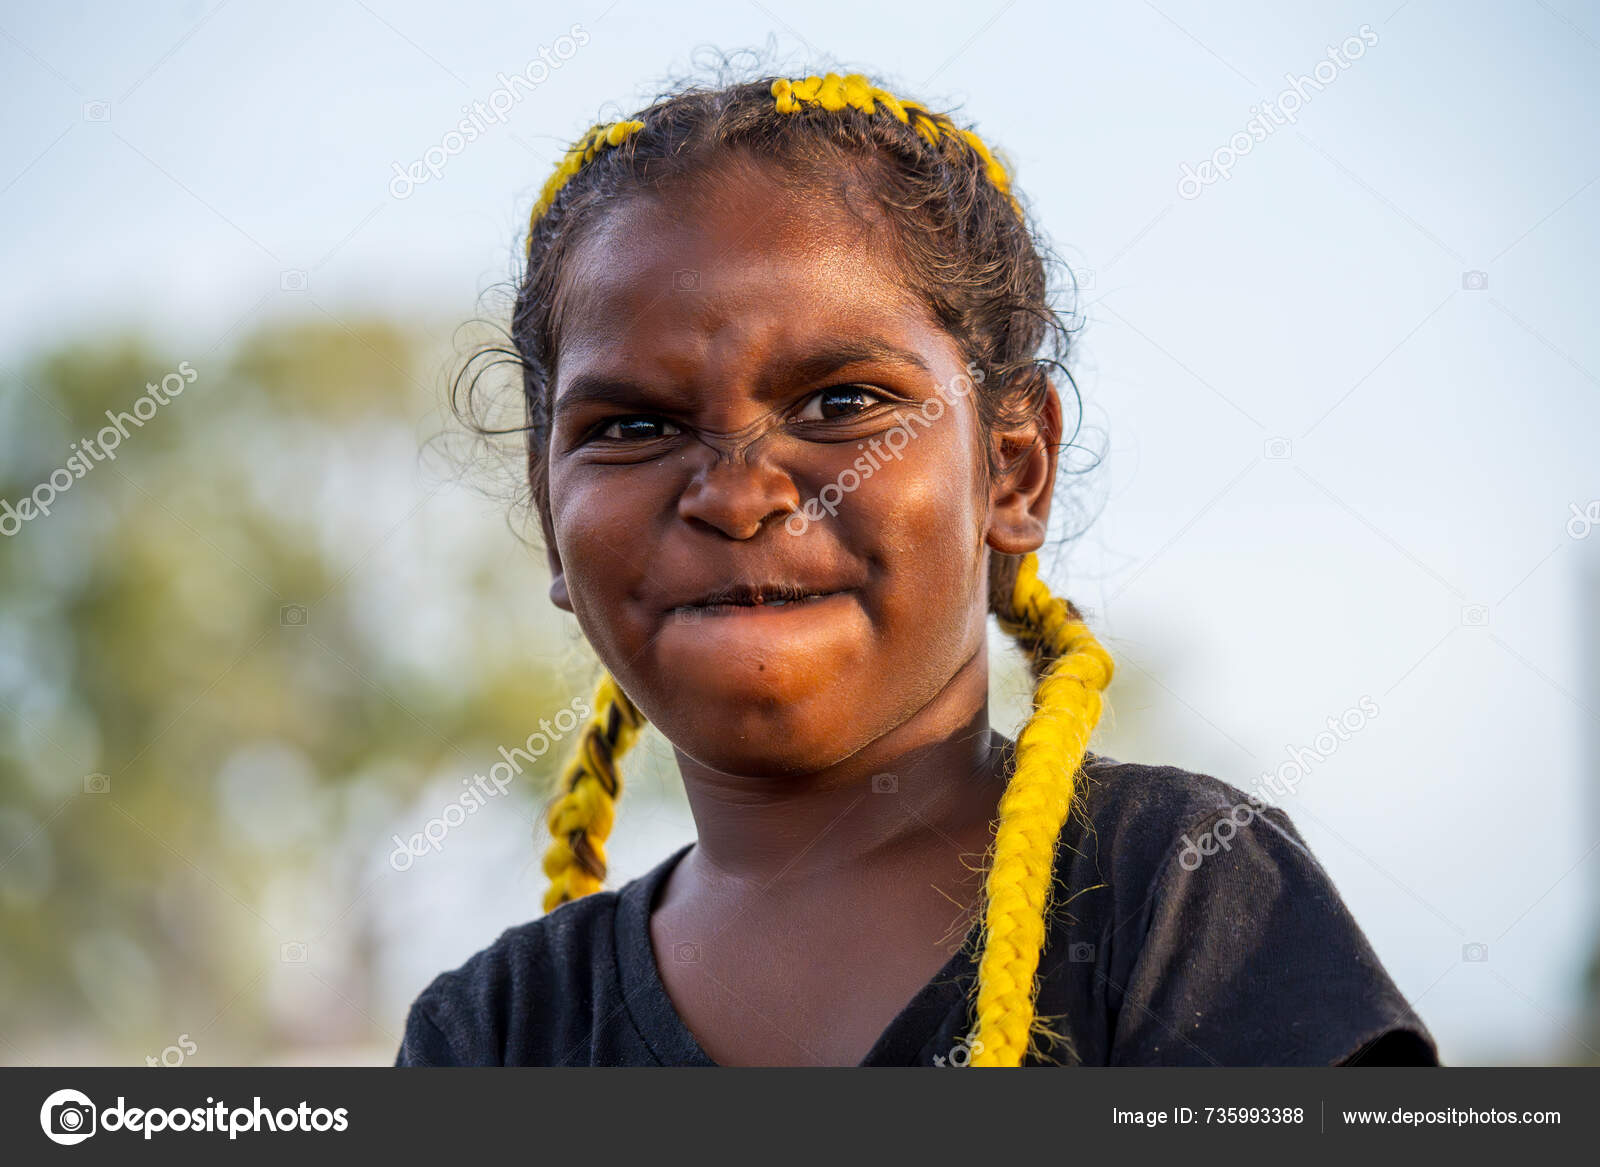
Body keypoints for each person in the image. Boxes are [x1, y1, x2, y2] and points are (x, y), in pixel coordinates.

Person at [394, 71, 1437, 1067]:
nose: (736, 493)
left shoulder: (1181, 892)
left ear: (1012, 471)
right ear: (548, 514)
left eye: (841, 404)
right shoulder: (494, 1035)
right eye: (630, 425)